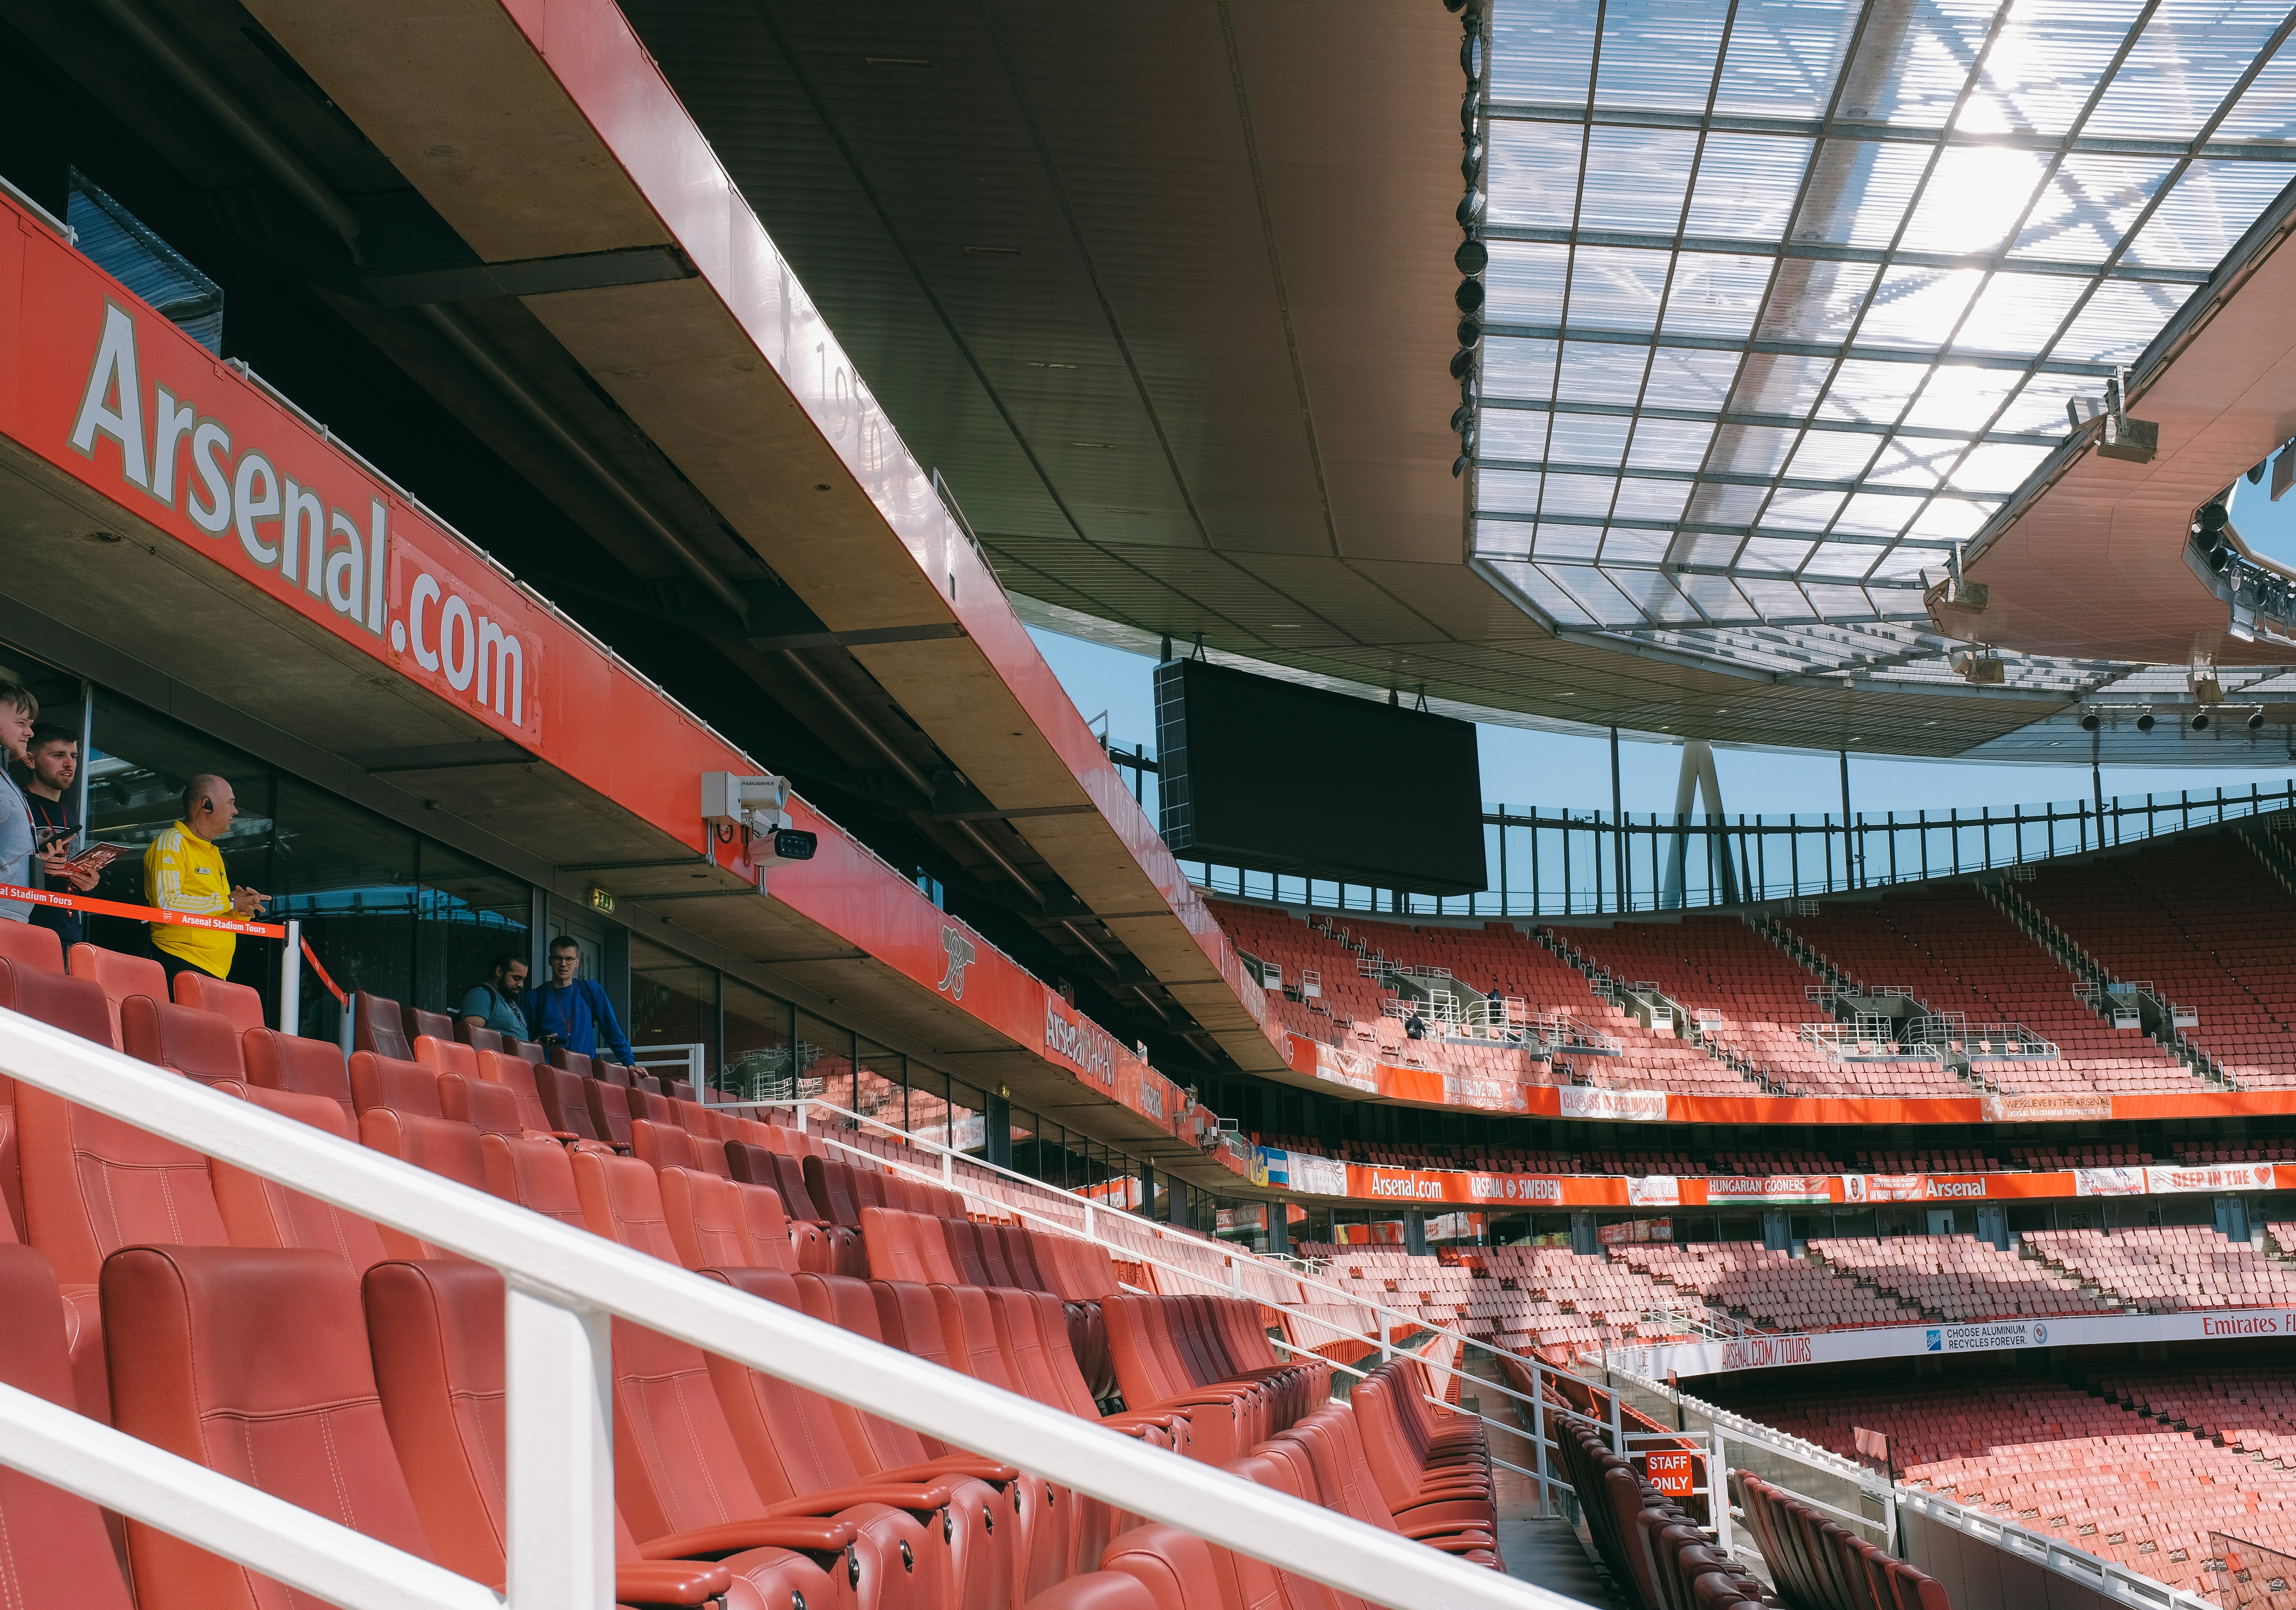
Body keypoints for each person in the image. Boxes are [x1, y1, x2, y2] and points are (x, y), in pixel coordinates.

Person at [143, 773, 268, 983]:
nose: (235, 811)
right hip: (182, 961)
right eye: (230, 803)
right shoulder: (172, 842)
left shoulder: (211, 851)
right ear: (207, 805)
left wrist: (240, 909)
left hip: (213, 969)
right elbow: (168, 903)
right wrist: (230, 902)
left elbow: (213, 907)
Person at [23, 724, 99, 949]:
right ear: (30, 760)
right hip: (26, 931)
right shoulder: (16, 803)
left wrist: (90, 884)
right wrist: (37, 865)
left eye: (74, 756)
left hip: (69, 934)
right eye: (58, 755)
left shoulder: (69, 812)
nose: (69, 764)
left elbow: (69, 875)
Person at [529, 934, 632, 1066]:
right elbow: (525, 1043)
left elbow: (612, 1031)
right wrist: (537, 1045)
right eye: (558, 958)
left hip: (585, 1072)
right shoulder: (534, 998)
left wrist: (630, 1063)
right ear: (550, 961)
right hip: (550, 1072)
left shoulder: (591, 991)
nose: (563, 964)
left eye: (569, 959)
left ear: (577, 962)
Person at [458, 951, 532, 1040]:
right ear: (499, 972)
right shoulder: (481, 995)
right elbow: (470, 1037)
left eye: (523, 980)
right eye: (516, 978)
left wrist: (534, 1045)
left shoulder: (508, 1001)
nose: (521, 985)